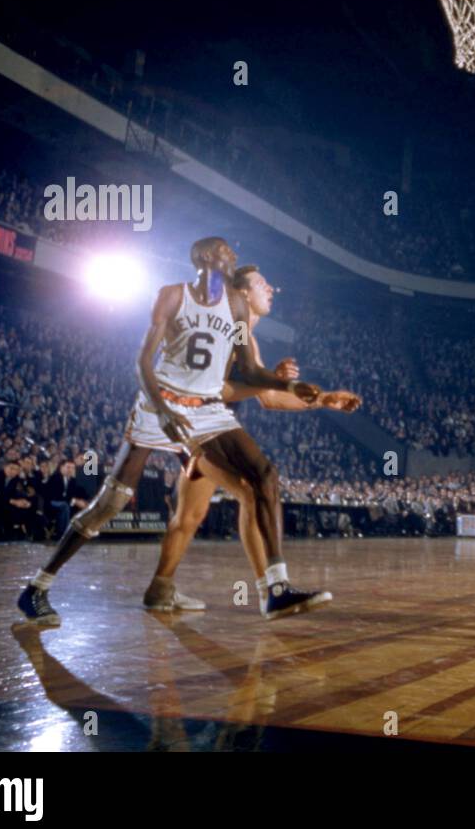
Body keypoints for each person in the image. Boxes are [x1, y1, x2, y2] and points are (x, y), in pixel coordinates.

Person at [17, 237, 326, 626]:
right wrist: (162, 412)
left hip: (206, 409)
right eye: (223, 252)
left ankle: (277, 589)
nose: (230, 256)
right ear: (202, 258)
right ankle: (37, 588)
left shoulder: (236, 305)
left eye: (233, 253)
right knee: (111, 503)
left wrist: (290, 386)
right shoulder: (172, 295)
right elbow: (143, 360)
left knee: (262, 475)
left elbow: (248, 369)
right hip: (159, 401)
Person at [142, 264, 361, 617]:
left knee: (190, 515)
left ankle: (159, 588)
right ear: (243, 294)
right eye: (262, 284)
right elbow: (215, 388)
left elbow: (270, 400)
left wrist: (324, 399)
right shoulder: (222, 328)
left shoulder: (249, 338)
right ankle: (272, 590)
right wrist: (272, 381)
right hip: (196, 422)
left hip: (210, 426)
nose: (271, 289)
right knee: (249, 490)